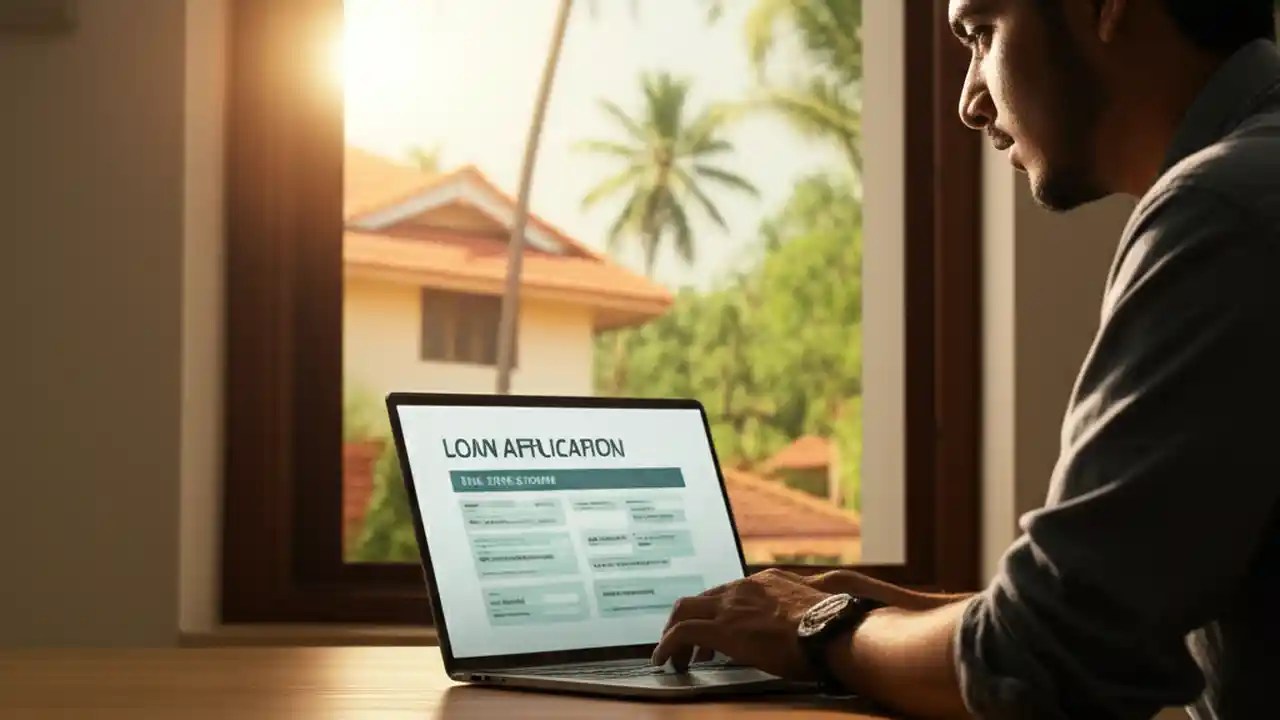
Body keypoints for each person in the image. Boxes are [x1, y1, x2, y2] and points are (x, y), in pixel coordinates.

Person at [652, 0, 1280, 717]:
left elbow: (1051, 664)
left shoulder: (1222, 210)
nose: (968, 100)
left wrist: (815, 627)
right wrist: (905, 617)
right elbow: (1112, 609)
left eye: (982, 34)